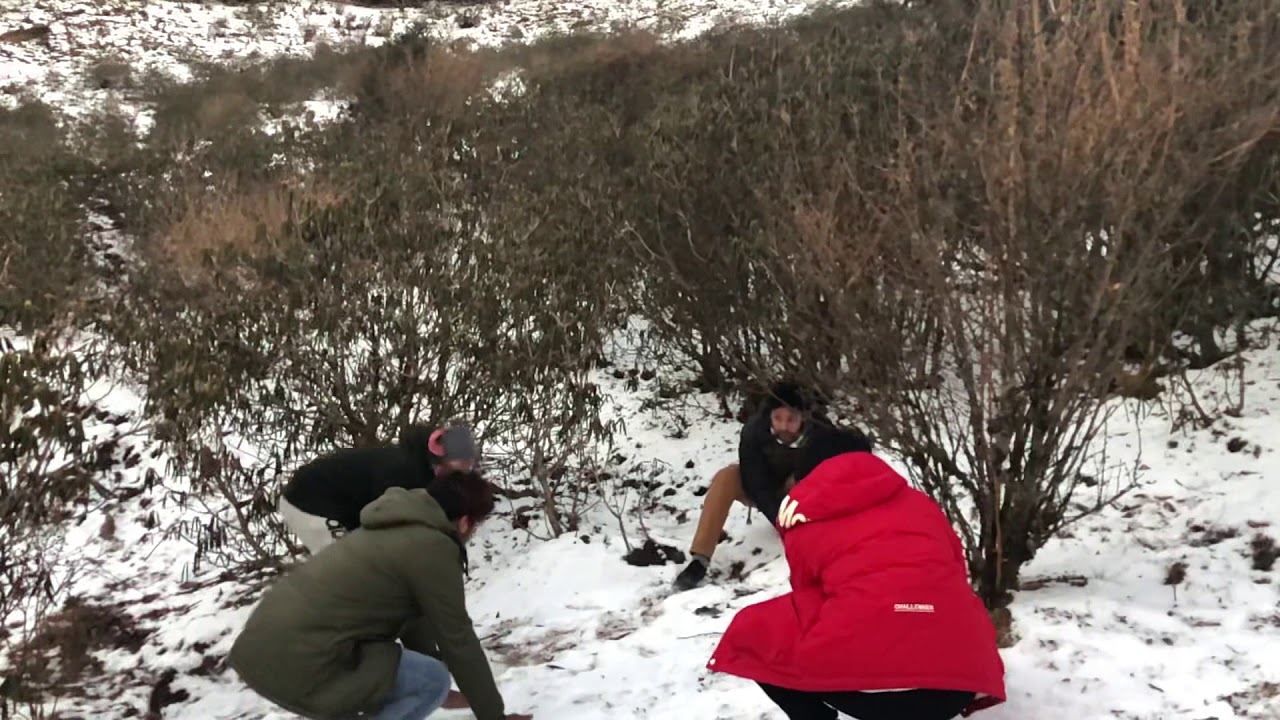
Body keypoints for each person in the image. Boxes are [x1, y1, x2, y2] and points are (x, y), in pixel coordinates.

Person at [704, 430, 1007, 720]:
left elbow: (805, 593)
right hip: (955, 690)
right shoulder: (921, 503)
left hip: (864, 696)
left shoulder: (804, 515)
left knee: (752, 629)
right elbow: (956, 571)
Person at [229, 470, 533, 720]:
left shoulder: (393, 525)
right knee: (433, 679)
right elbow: (458, 639)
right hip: (306, 660)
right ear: (465, 522)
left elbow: (416, 621)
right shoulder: (433, 546)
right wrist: (491, 715)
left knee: (430, 679)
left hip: (264, 651)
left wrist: (437, 689)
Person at [673, 381, 873, 591]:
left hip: (804, 496)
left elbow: (853, 452)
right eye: (778, 418)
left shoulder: (820, 431)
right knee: (727, 476)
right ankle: (700, 559)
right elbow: (755, 483)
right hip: (766, 491)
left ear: (803, 417)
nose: (784, 426)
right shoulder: (754, 432)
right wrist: (781, 521)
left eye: (791, 419)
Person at [278, 424, 480, 554]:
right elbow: (381, 518)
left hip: (342, 507)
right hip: (308, 501)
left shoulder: (426, 470)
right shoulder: (404, 472)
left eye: (469, 464)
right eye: (461, 464)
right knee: (345, 568)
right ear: (442, 458)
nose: (466, 470)